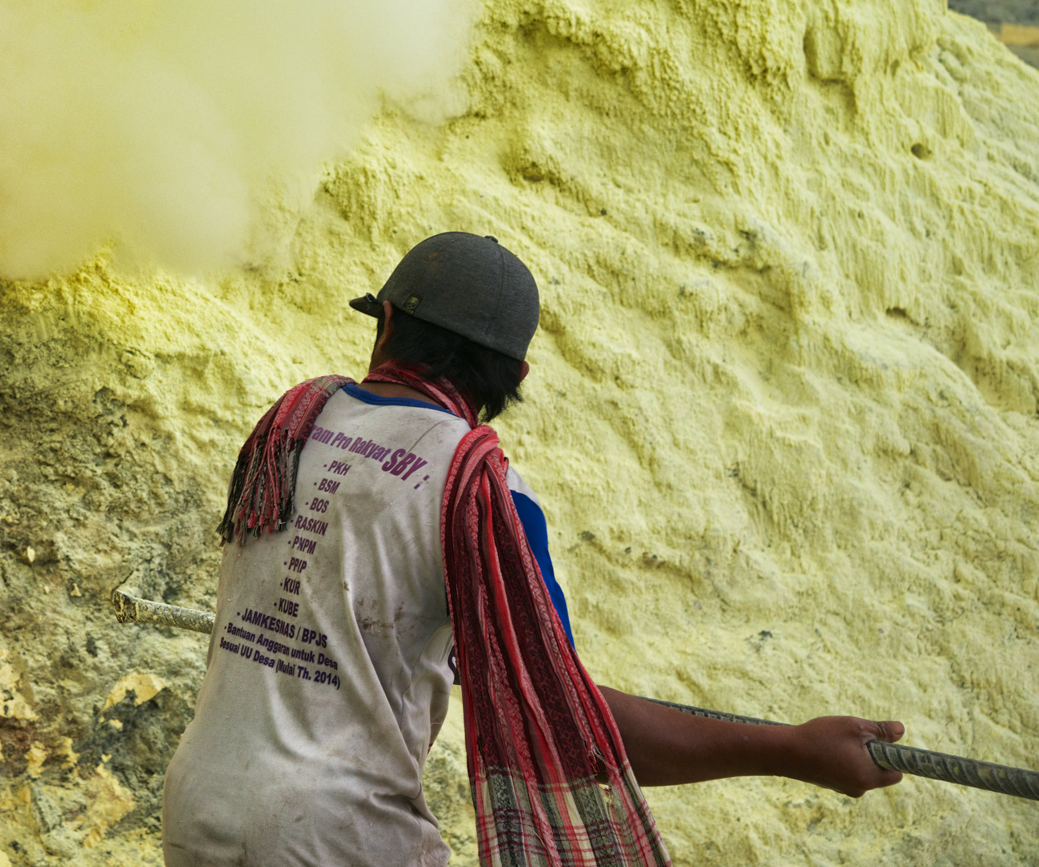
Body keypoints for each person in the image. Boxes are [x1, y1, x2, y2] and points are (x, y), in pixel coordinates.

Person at [160, 232, 904, 867]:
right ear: (516, 375)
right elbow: (565, 720)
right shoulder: (481, 490)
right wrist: (793, 749)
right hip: (334, 837)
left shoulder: (291, 422)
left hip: (196, 804)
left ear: (385, 321)